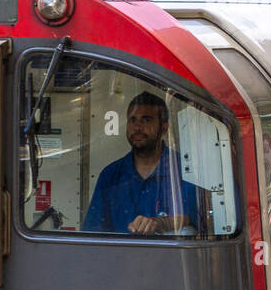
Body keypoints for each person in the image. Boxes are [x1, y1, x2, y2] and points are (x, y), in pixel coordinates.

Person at [82, 91, 201, 236]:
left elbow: (203, 221)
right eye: (132, 120)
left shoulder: (186, 170)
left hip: (171, 258)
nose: (137, 127)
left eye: (146, 120)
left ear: (164, 128)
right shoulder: (111, 175)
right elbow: (93, 233)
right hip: (120, 257)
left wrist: (162, 223)